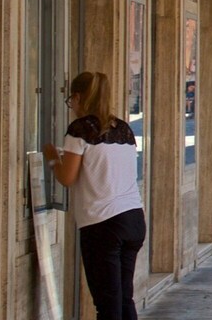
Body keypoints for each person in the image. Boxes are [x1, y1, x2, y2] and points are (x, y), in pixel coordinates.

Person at [42, 72, 145, 320]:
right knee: (123, 299)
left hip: (103, 223)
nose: (72, 106)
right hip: (133, 219)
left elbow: (67, 178)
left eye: (71, 100)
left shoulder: (80, 130)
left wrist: (53, 159)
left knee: (107, 304)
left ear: (78, 97)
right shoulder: (124, 129)